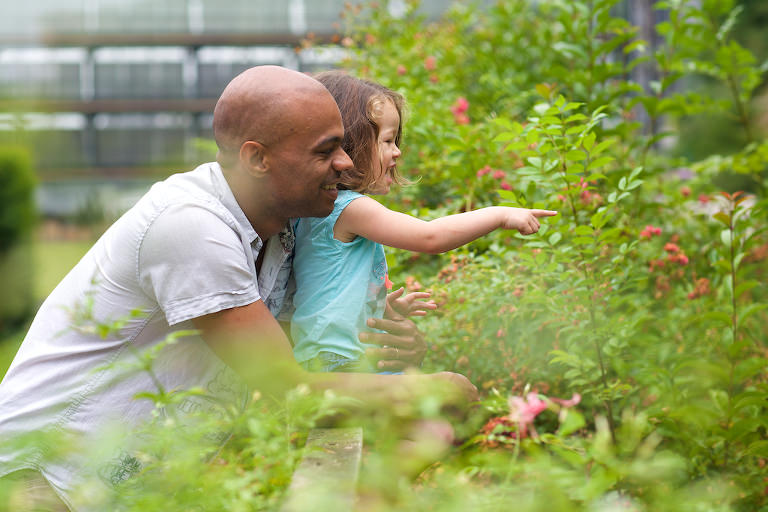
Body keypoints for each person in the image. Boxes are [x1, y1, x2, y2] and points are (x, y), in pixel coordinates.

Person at [0, 66, 477, 511]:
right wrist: (432, 390)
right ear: (257, 158)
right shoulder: (191, 228)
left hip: (120, 483)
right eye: (324, 150)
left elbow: (296, 349)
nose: (345, 162)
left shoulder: (283, 229)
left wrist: (387, 345)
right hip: (45, 476)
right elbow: (290, 387)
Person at [291, 71, 557, 373]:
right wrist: (501, 214)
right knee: (443, 398)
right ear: (352, 144)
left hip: (328, 357)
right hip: (341, 360)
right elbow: (431, 237)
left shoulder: (316, 211)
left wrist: (379, 307)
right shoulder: (351, 208)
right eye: (388, 140)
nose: (397, 151)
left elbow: (322, 291)